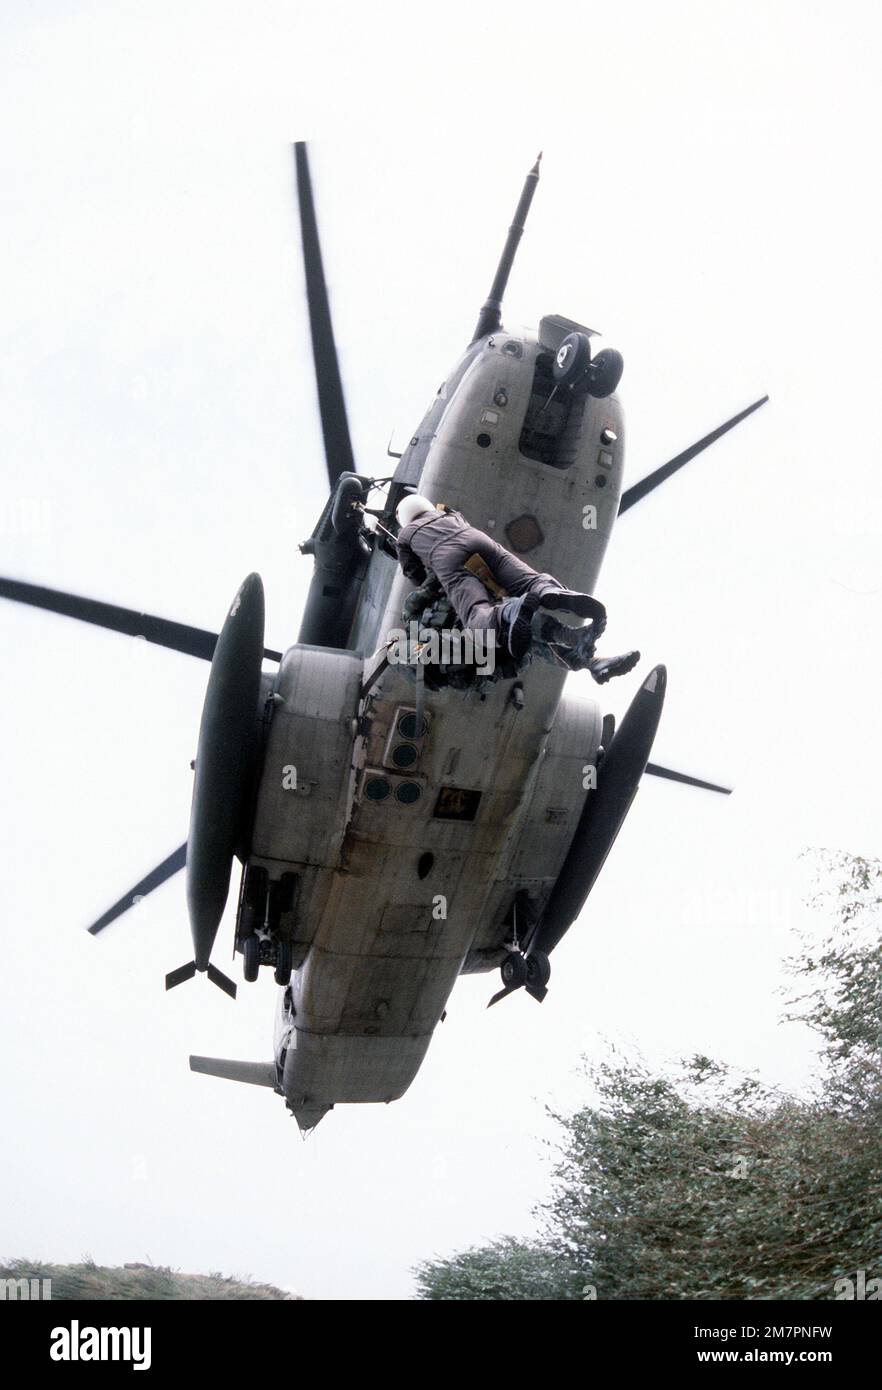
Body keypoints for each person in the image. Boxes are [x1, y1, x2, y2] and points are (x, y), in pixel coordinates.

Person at [394, 494, 639, 683]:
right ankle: (582, 647)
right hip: (479, 541)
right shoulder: (450, 516)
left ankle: (517, 616)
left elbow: (413, 574)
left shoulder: (406, 534)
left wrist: (431, 576)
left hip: (462, 589)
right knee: (528, 586)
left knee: (481, 616)